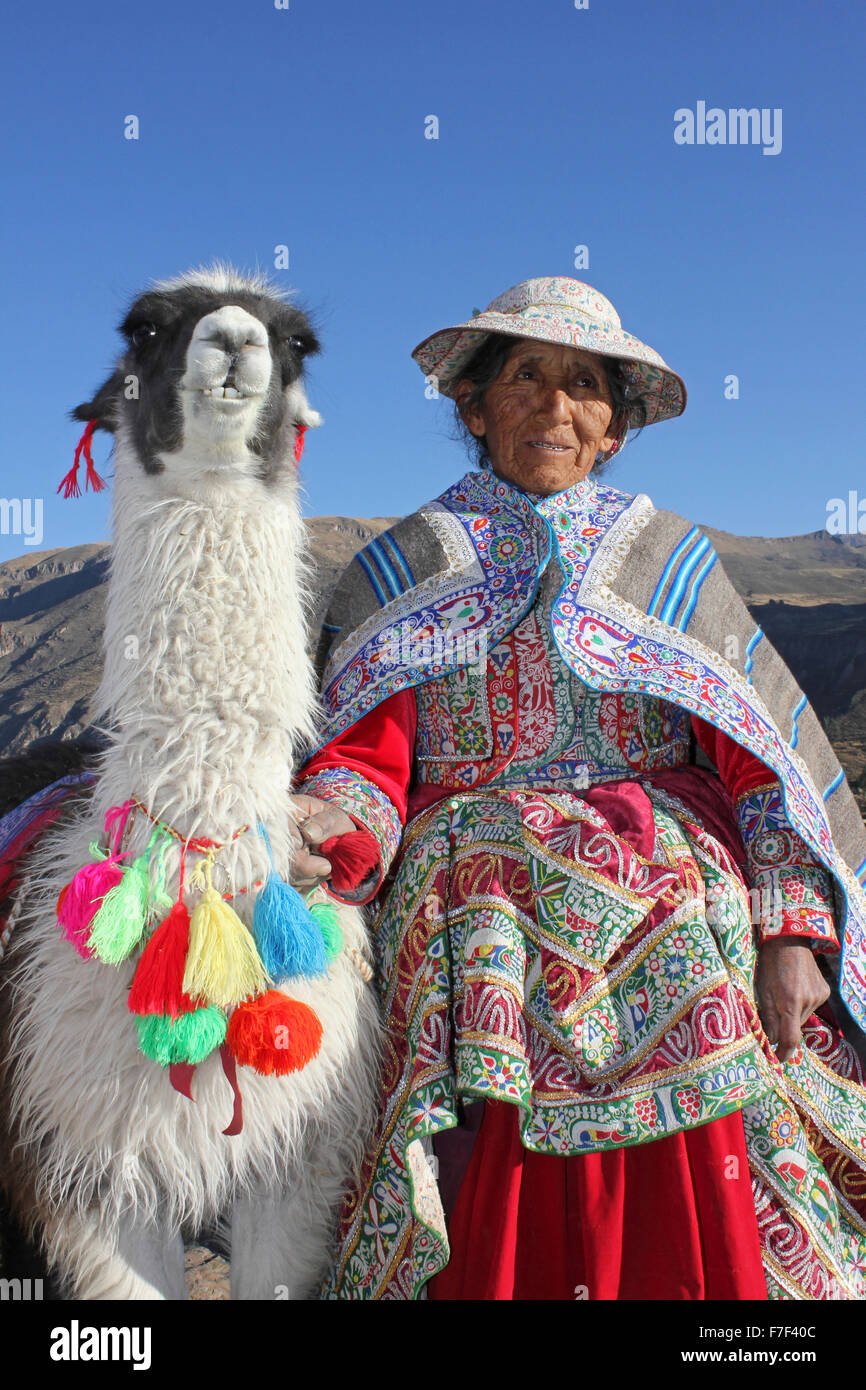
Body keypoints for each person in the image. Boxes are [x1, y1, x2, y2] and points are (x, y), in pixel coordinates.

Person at [292, 277, 866, 1301]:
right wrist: (323, 828)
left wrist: (789, 930)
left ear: (613, 425)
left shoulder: (669, 562)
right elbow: (365, 762)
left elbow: (758, 755)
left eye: (585, 386)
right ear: (472, 407)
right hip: (471, 873)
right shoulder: (402, 568)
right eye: (525, 376)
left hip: (670, 872)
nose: (555, 406)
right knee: (484, 907)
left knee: (686, 919)